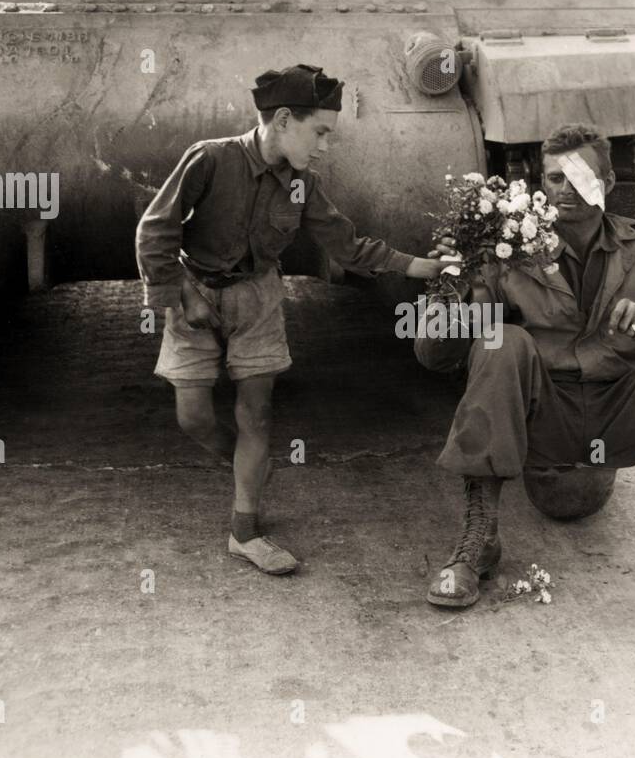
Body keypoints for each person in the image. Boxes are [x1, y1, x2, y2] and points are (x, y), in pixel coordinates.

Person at [416, 122, 635, 608]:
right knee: (502, 341)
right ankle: (479, 538)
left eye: (581, 177)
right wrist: (451, 286)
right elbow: (434, 356)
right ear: (543, 184)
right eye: (555, 178)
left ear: (607, 184)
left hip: (621, 412)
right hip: (543, 416)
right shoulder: (508, 251)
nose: (566, 190)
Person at [136, 64, 454, 575]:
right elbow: (155, 230)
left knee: (256, 413)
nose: (325, 145)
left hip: (258, 299)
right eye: (321, 132)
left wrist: (421, 266)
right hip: (193, 294)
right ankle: (249, 467)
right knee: (192, 417)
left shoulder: (303, 185)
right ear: (283, 119)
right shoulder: (210, 159)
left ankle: (245, 529)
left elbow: (346, 245)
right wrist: (175, 298)